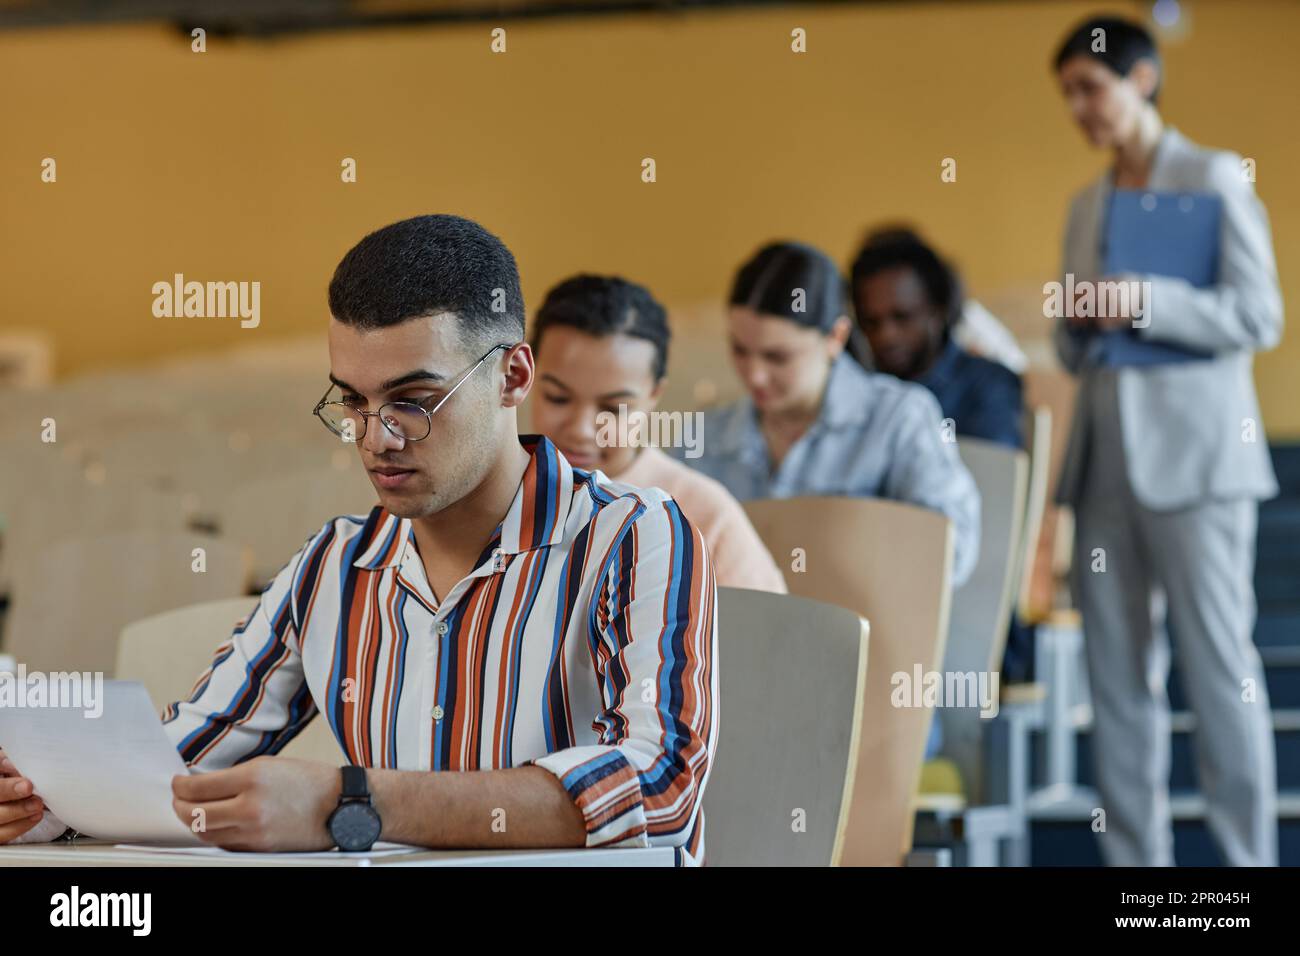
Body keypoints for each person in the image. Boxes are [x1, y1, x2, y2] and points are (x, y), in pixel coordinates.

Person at [1, 214, 718, 863]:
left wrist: (350, 803)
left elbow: (660, 782)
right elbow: (178, 769)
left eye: (413, 400)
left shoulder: (634, 534)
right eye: (353, 401)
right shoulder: (335, 563)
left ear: (513, 375)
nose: (377, 438)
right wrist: (41, 805)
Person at [1052, 16, 1282, 866]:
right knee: (1117, 687)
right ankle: (1138, 881)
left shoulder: (1212, 175)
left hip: (1200, 468)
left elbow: (1261, 316)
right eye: (1068, 93)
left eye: (1091, 87)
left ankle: (1246, 868)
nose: (1079, 107)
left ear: (1142, 78)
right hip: (1104, 464)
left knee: (1222, 675)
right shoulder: (1086, 203)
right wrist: (1075, 317)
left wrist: (1144, 298)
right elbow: (1075, 347)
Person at [676, 239, 981, 588]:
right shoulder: (704, 437)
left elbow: (951, 551)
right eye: (740, 350)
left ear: (835, 337)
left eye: (778, 357)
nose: (755, 375)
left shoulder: (898, 418)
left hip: (869, 631)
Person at [529, 273, 787, 593]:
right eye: (558, 398)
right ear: (526, 374)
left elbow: (766, 639)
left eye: (613, 408)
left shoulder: (704, 518)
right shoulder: (497, 500)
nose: (581, 430)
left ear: (653, 396)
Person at [850, 226, 1024, 449]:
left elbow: (993, 476)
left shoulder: (988, 385)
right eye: (871, 322)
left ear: (938, 310)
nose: (885, 336)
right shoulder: (856, 385)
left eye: (902, 317)